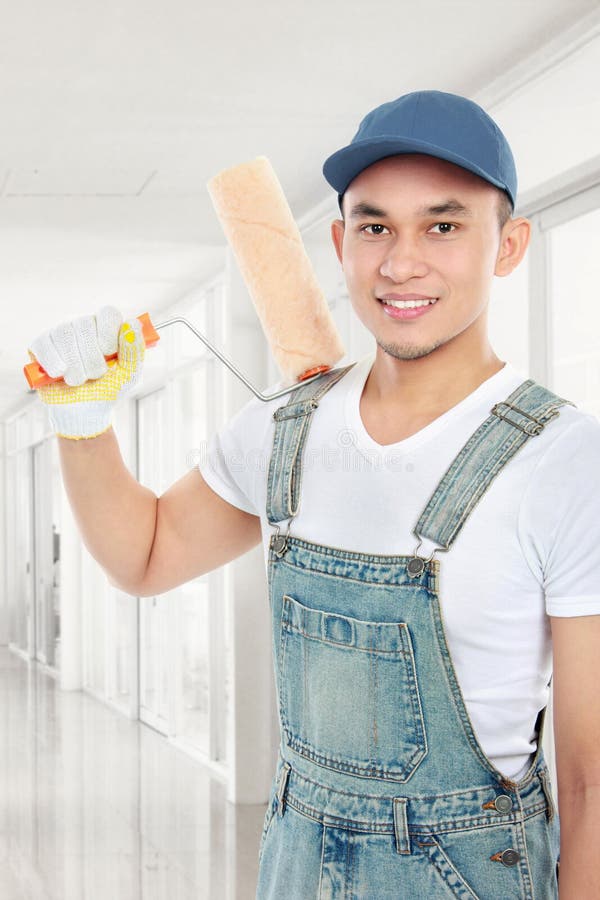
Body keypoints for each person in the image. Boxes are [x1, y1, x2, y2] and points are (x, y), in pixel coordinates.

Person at [29, 90, 600, 899]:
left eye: (443, 226)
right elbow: (145, 557)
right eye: (375, 227)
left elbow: (589, 780)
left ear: (508, 246)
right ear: (339, 244)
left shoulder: (565, 459)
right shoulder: (284, 428)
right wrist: (82, 420)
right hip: (298, 866)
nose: (400, 263)